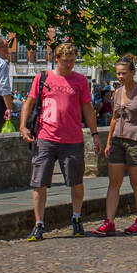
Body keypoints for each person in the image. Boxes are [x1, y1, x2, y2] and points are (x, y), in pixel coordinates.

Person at [19, 42, 102, 241]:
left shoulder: (80, 81)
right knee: (39, 183)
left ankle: (76, 217)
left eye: (72, 62)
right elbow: (29, 103)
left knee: (76, 181)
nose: (69, 66)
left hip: (72, 138)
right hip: (45, 137)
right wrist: (23, 126)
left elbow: (87, 108)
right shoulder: (42, 78)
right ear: (56, 59)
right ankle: (39, 224)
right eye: (65, 62)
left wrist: (95, 133)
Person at [94, 55, 137, 237]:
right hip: (118, 139)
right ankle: (110, 221)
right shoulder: (117, 92)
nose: (120, 76)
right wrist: (108, 141)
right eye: (118, 73)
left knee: (136, 183)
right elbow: (114, 117)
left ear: (132, 72)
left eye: (123, 73)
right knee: (114, 182)